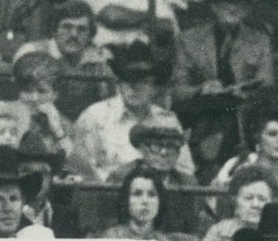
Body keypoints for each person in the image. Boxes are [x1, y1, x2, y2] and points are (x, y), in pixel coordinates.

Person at [172, 0, 275, 176]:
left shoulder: (259, 40)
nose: (232, 8)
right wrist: (202, 88)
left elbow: (267, 83)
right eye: (226, 2)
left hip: (244, 115)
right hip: (201, 114)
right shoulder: (189, 40)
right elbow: (177, 90)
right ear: (214, 6)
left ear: (246, 9)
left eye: (239, 4)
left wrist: (244, 90)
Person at [74, 43, 195, 183]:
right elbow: (80, 169)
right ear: (119, 84)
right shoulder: (95, 116)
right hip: (107, 195)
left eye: (143, 82)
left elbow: (185, 172)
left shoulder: (167, 121)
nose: (134, 88)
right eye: (128, 80)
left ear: (155, 88)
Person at [11, 0, 116, 122]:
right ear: (54, 30)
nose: (74, 35)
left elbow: (109, 105)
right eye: (67, 27)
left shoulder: (100, 58)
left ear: (90, 35)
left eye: (81, 29)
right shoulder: (32, 51)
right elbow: (27, 102)